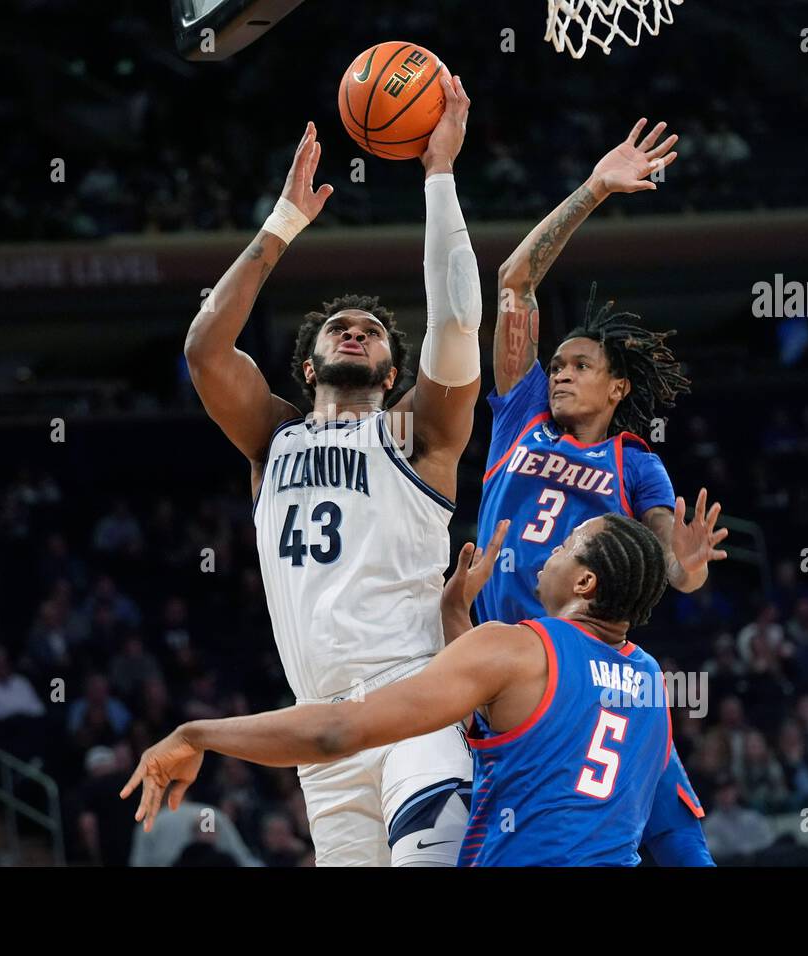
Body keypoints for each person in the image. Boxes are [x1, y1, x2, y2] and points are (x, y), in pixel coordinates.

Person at [180, 77, 482, 866]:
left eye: (374, 331)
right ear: (307, 366)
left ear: (392, 371)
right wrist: (282, 223)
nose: (357, 332)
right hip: (320, 734)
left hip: (415, 701)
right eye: (341, 327)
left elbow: (456, 318)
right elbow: (205, 351)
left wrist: (438, 171)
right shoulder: (270, 438)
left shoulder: (414, 433)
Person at [123, 514, 674, 867]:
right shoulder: (651, 682)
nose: (555, 546)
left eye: (571, 544)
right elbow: (527, 718)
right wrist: (454, 613)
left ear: (586, 582)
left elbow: (338, 730)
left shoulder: (515, 647)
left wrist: (198, 733)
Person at [480, 119, 722, 865]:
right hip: (494, 665)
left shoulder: (634, 462)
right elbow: (514, 281)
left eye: (580, 364)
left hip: (581, 661)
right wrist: (593, 189)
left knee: (669, 826)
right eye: (557, 361)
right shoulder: (520, 415)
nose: (560, 371)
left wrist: (685, 568)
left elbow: (664, 564)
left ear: (618, 387)